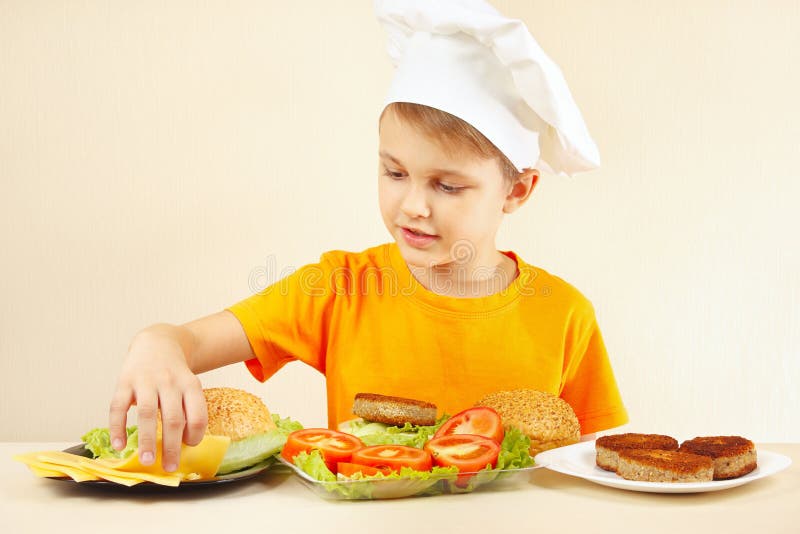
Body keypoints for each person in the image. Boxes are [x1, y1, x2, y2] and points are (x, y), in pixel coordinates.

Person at [108, 0, 628, 473]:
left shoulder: (564, 316)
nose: (413, 206)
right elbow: (191, 341)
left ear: (517, 190)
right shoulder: (338, 288)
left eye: (447, 185)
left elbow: (596, 467)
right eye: (394, 173)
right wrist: (157, 343)